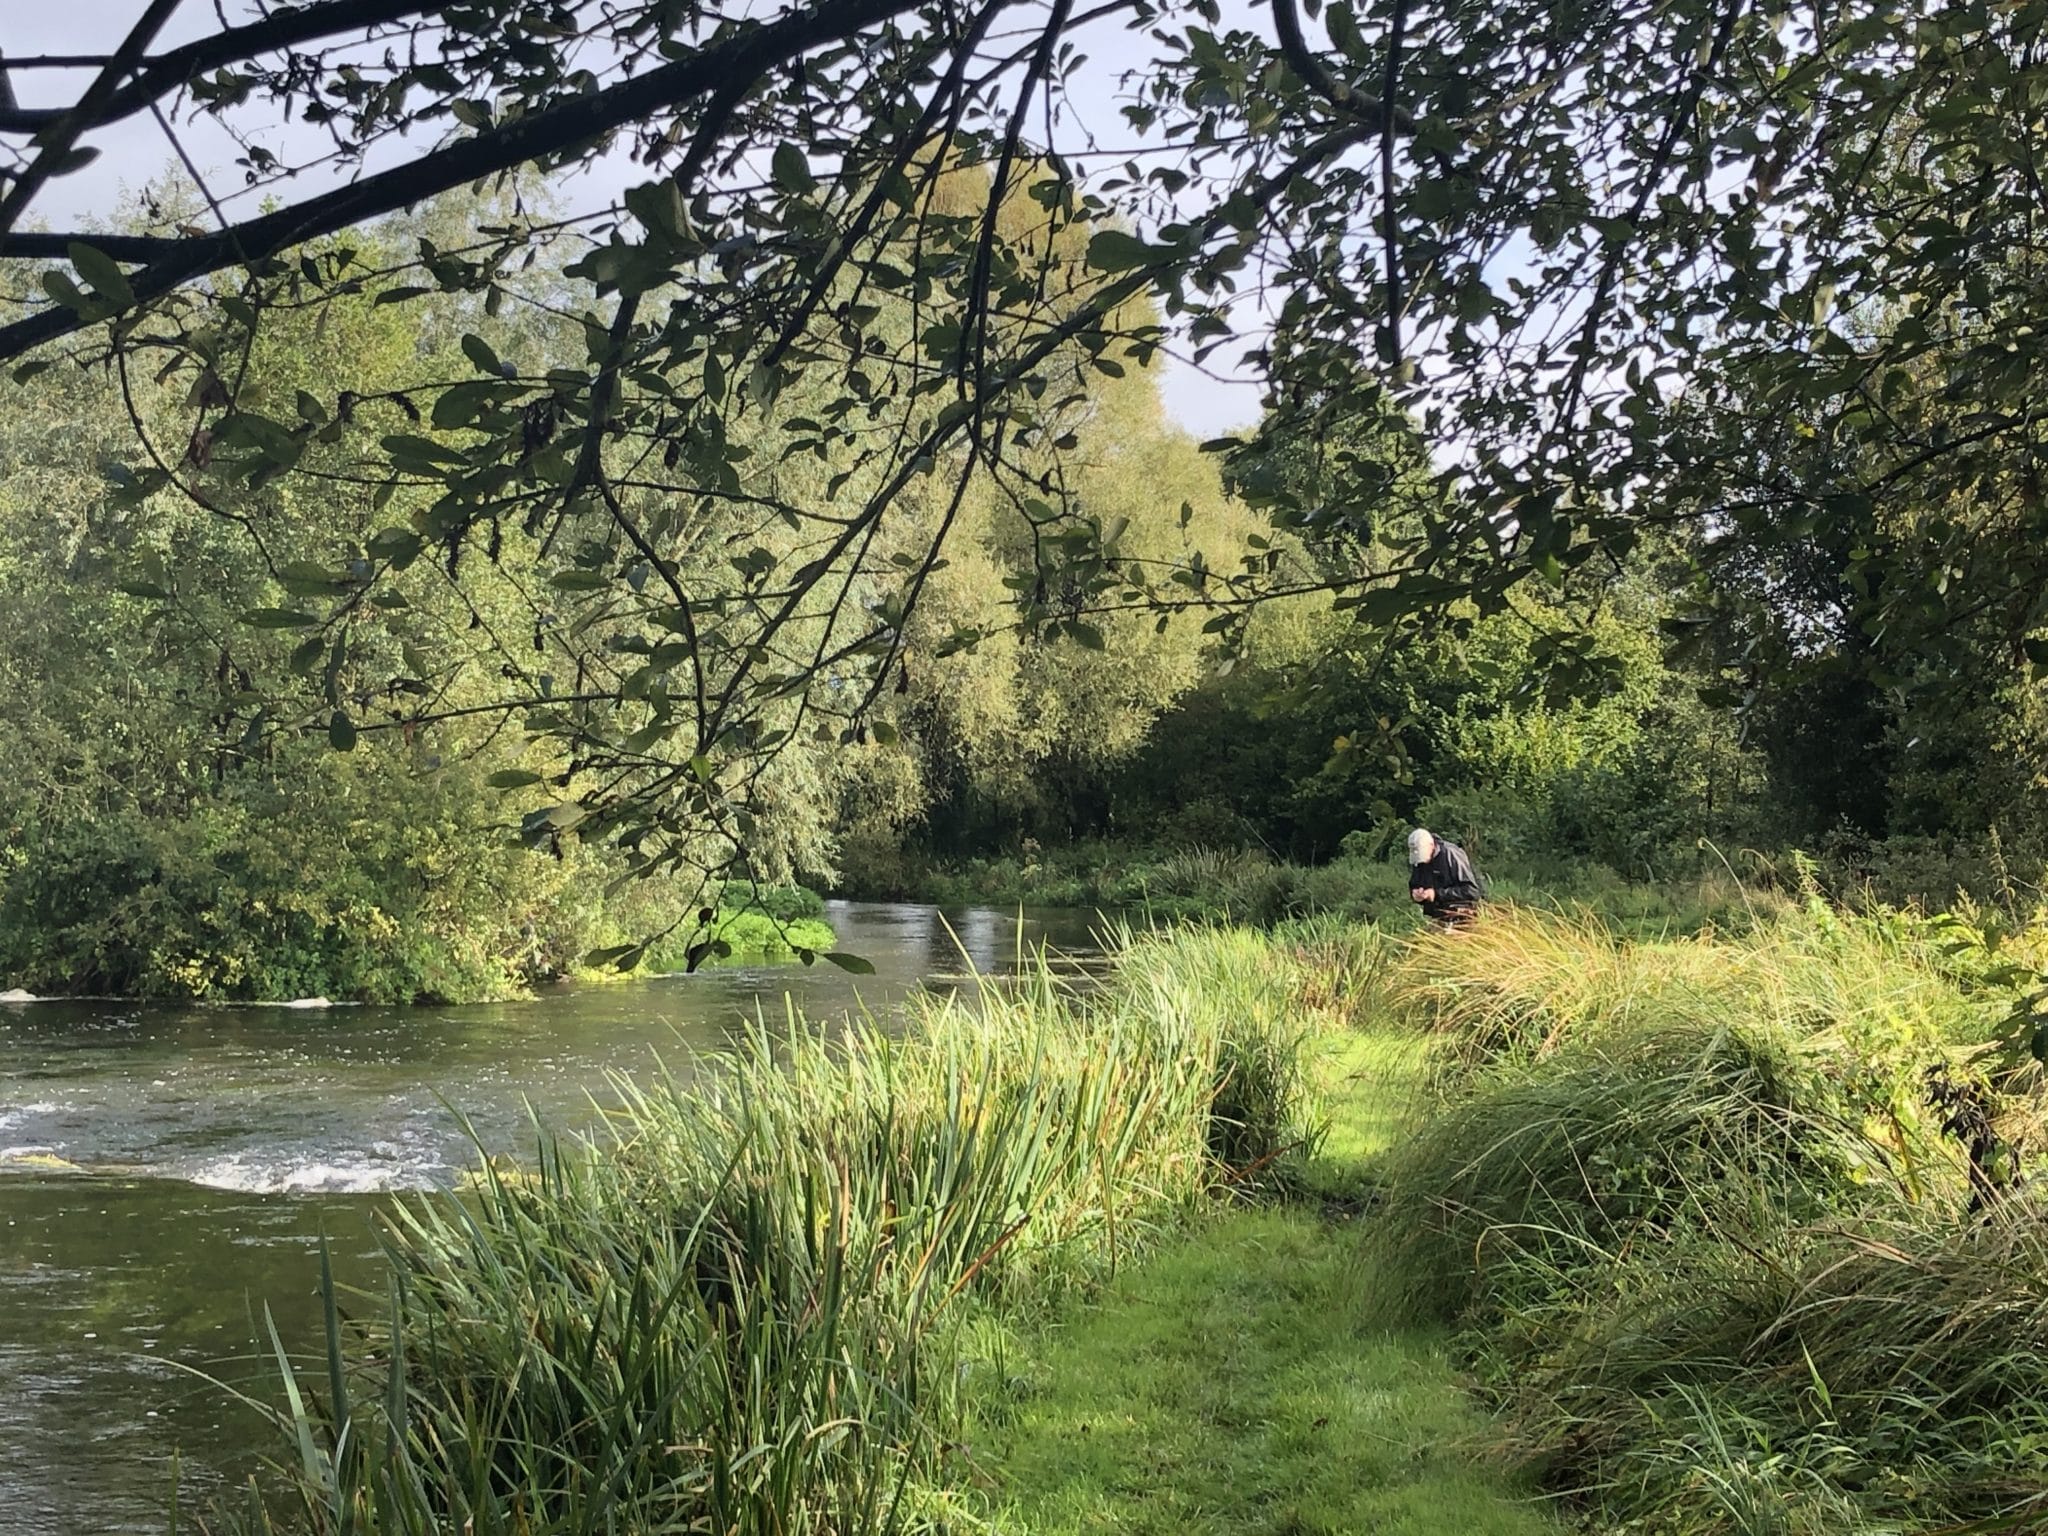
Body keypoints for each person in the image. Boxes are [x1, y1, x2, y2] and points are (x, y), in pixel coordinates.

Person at [1407, 827, 1483, 928]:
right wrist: (1416, 895)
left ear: (1432, 845)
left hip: (1464, 915)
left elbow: (1472, 891)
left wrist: (1436, 894)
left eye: (1423, 856)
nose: (1423, 862)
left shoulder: (1451, 854)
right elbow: (1415, 884)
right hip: (1439, 916)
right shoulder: (1418, 862)